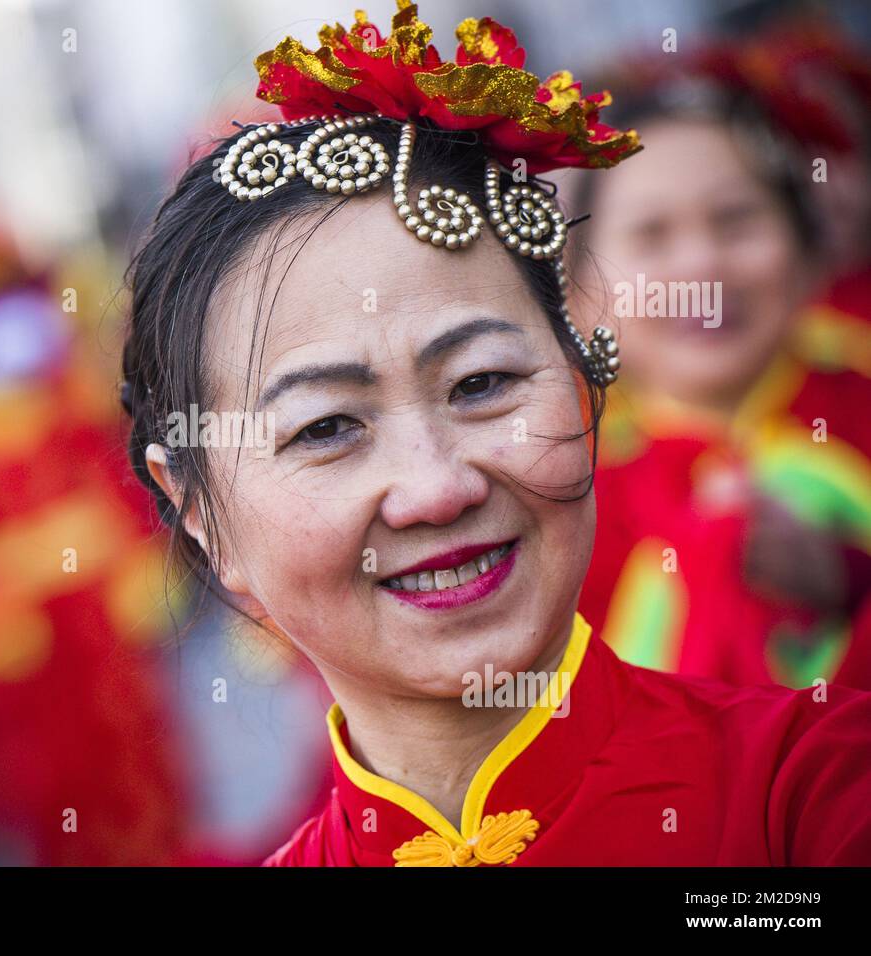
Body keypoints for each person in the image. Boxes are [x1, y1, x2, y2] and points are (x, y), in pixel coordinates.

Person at [118, 3, 871, 866]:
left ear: (587, 380)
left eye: (481, 384)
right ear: (201, 517)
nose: (438, 487)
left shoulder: (811, 792)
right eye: (325, 427)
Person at [570, 46, 871, 691]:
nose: (700, 267)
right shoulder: (565, 495)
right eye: (652, 235)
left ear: (808, 249)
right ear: (581, 291)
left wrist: (846, 576)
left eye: (736, 220)